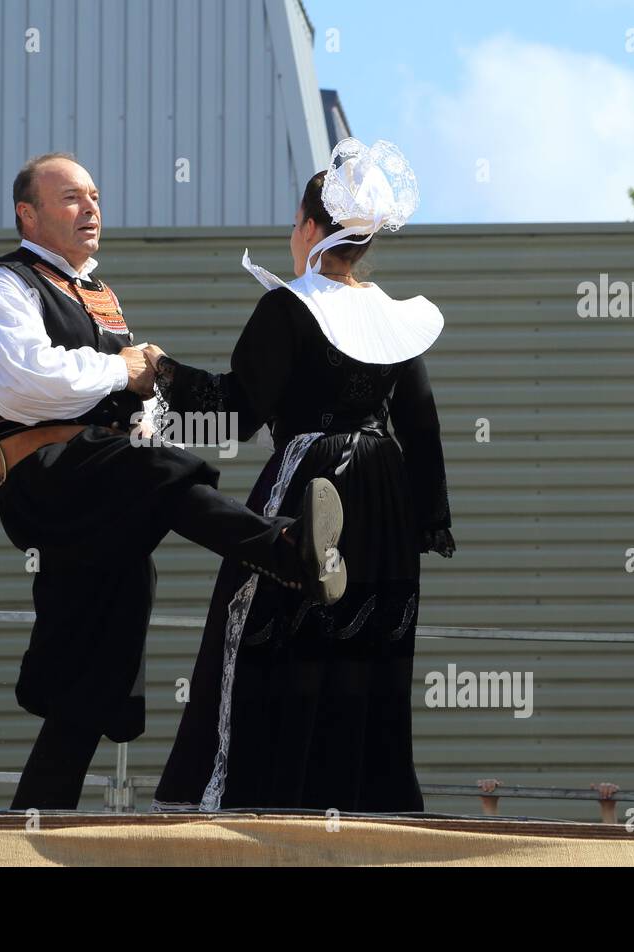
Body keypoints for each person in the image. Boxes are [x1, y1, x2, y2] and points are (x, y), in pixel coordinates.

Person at [0, 152, 349, 811]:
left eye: (95, 196)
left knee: (89, 672)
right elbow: (23, 381)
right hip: (45, 478)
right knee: (152, 475)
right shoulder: (6, 285)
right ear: (27, 214)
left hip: (95, 491)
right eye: (71, 199)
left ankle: (28, 829)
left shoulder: (100, 297)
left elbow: (139, 401)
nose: (91, 209)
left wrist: (159, 412)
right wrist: (123, 372)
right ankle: (284, 552)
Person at [146, 138, 456, 813]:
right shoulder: (395, 319)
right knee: (363, 652)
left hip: (311, 480)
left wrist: (161, 373)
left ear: (313, 229)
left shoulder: (289, 307)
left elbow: (234, 410)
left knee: (255, 623)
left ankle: (236, 797)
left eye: (295, 223)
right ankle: (360, 813)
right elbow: (422, 428)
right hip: (386, 502)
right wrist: (428, 520)